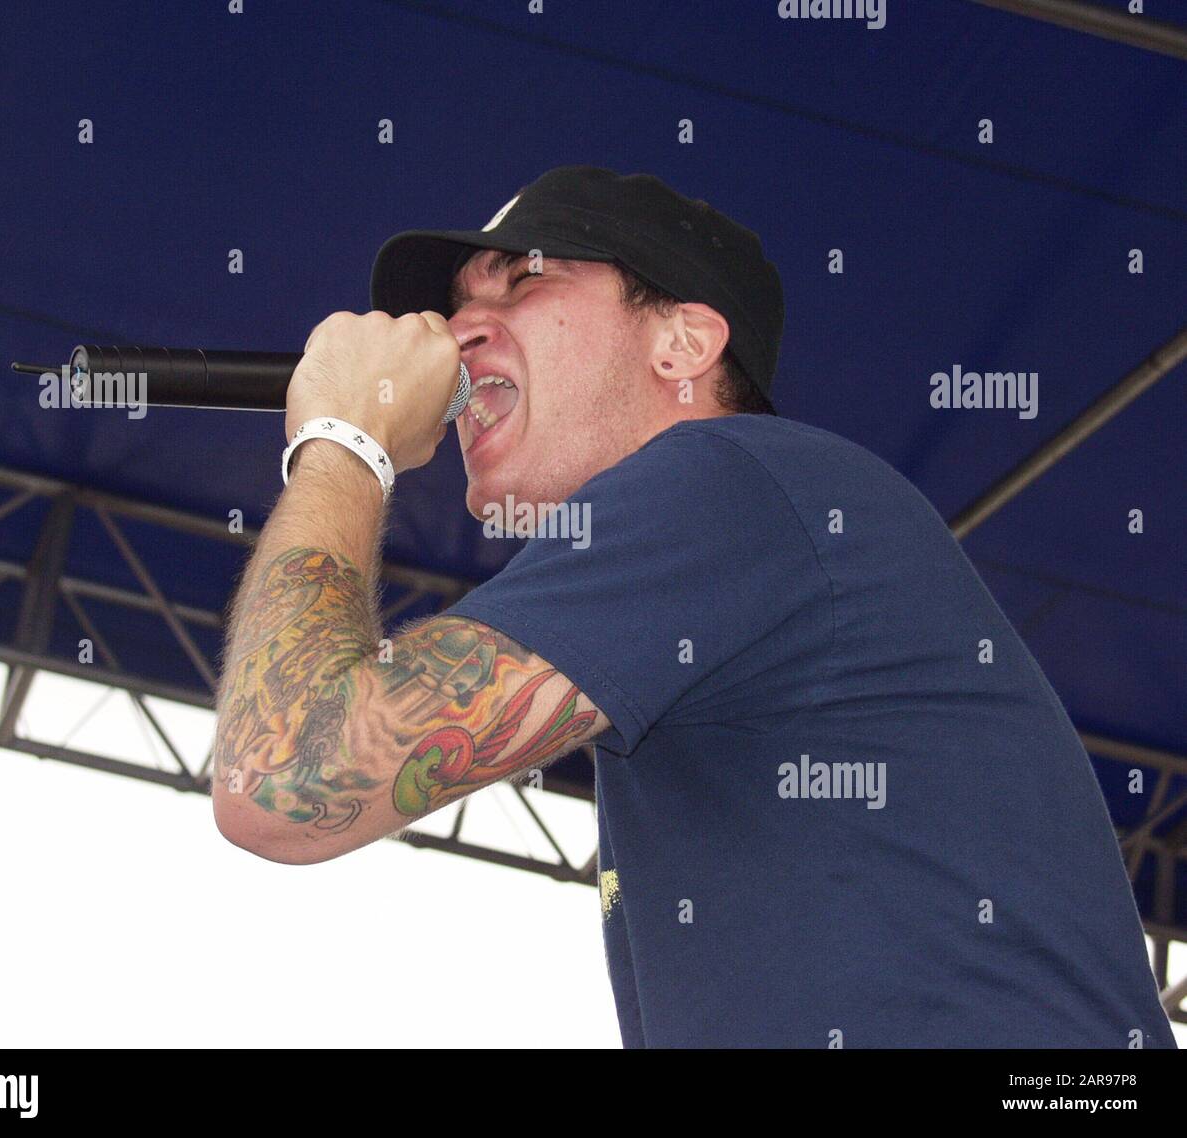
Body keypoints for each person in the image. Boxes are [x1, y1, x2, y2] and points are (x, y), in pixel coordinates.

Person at [211, 165, 1175, 1049]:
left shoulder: (726, 477)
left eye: (522, 282)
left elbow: (286, 771)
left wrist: (346, 440)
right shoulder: (713, 569)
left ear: (684, 342)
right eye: (461, 304)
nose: (461, 330)